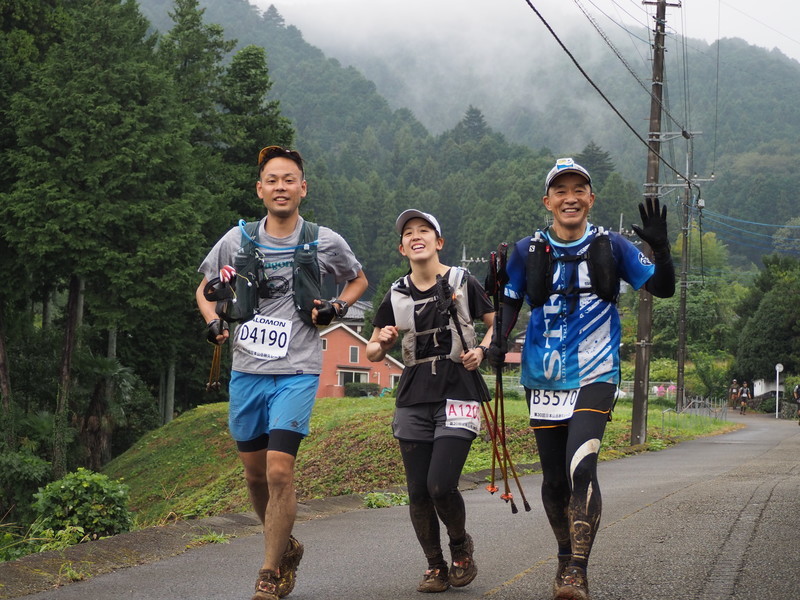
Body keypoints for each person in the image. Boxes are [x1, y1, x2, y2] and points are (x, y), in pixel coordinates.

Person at [486, 158, 675, 600]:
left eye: (579, 190)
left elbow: (662, 289)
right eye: (561, 190)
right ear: (547, 201)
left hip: (597, 373)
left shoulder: (612, 245)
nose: (570, 197)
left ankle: (577, 570)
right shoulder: (525, 251)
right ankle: (563, 554)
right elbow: (509, 305)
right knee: (553, 479)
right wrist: (497, 342)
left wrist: (662, 250)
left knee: (581, 465)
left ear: (591, 198)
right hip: (543, 377)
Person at [196, 145, 368, 600]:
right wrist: (214, 321)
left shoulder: (323, 240)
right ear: (260, 189)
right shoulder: (237, 240)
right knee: (254, 475)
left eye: (289, 179)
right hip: (248, 370)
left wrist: (337, 307)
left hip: (299, 368)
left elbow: (357, 279)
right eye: (272, 180)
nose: (280, 187)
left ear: (303, 188)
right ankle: (285, 544)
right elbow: (205, 287)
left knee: (278, 471)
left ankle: (269, 571)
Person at [366, 209, 495, 593]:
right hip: (413, 394)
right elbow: (372, 349)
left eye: (425, 230)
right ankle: (435, 565)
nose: (416, 236)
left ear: (439, 242)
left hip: (458, 388)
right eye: (409, 233)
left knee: (440, 484)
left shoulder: (462, 280)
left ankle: (460, 546)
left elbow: (495, 321)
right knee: (418, 490)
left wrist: (483, 351)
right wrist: (383, 344)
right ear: (401, 246)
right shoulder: (396, 292)